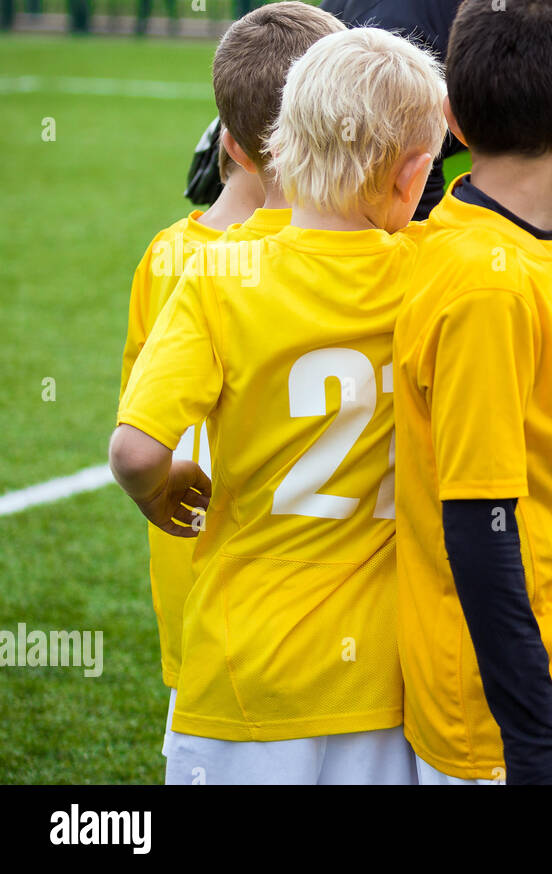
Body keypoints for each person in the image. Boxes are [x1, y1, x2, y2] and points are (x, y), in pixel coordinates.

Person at [111, 26, 447, 784]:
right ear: (413, 175)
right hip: (381, 673)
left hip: (248, 663)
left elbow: (134, 452)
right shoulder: (431, 267)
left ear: (271, 142)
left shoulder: (217, 275)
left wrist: (157, 491)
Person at [393, 0, 552, 786]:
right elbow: (480, 530)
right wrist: (537, 747)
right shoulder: (489, 291)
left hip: (547, 697)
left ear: (454, 119)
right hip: (513, 730)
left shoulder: (480, 231)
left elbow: (536, 252)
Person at [118, 0, 341, 761]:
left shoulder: (172, 259)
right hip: (346, 607)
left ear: (232, 144)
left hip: (215, 607)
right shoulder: (367, 250)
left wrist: (157, 485)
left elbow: (140, 442)